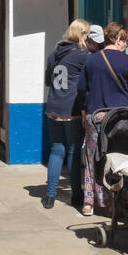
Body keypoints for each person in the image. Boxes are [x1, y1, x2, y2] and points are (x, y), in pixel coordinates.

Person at [77, 24, 128, 216]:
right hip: (121, 118)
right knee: (120, 159)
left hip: (97, 116)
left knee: (92, 159)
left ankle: (89, 203)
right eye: (125, 41)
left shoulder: (92, 61)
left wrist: (84, 112)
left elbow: (81, 89)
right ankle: (116, 202)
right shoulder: (127, 61)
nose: (126, 45)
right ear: (117, 39)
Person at [43, 20, 90, 209]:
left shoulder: (53, 55)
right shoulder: (82, 55)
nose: (88, 37)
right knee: (73, 151)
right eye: (86, 33)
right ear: (81, 34)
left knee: (56, 151)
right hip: (71, 110)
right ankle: (77, 195)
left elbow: (48, 81)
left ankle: (50, 195)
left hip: (53, 107)